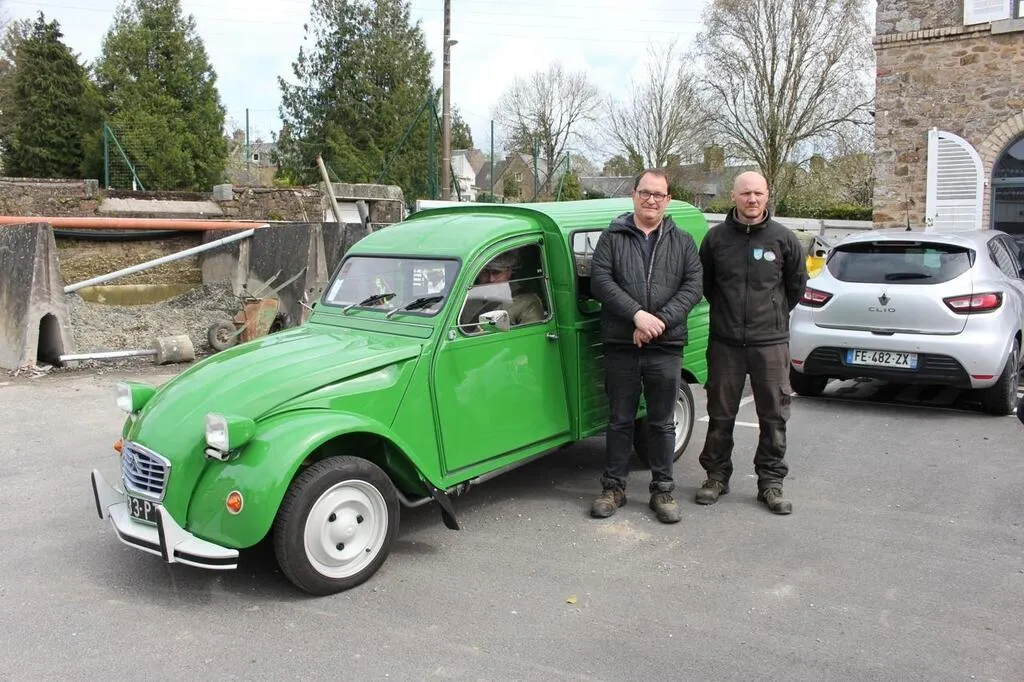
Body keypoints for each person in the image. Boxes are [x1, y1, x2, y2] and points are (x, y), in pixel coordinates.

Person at [588, 168, 704, 524]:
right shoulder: (612, 237)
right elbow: (601, 282)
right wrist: (637, 316)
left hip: (665, 346)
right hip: (622, 343)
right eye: (645, 193)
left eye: (659, 194)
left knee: (662, 423)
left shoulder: (682, 241)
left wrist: (658, 323)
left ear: (667, 200)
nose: (651, 200)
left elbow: (692, 287)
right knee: (620, 420)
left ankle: (663, 489)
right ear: (634, 195)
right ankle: (613, 488)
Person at [695, 171, 808, 515]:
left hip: (770, 343)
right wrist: (732, 318)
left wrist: (770, 317)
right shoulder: (715, 240)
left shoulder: (784, 239)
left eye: (758, 193)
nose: (752, 200)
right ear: (734, 196)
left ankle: (771, 483)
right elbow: (707, 285)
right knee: (720, 413)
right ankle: (716, 476)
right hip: (726, 343)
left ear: (767, 196)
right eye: (746, 194)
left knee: (774, 415)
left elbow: (795, 287)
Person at [460, 250, 544, 330]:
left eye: (496, 272)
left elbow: (529, 338)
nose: (491, 279)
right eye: (485, 272)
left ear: (509, 271)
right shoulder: (467, 295)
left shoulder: (526, 302)